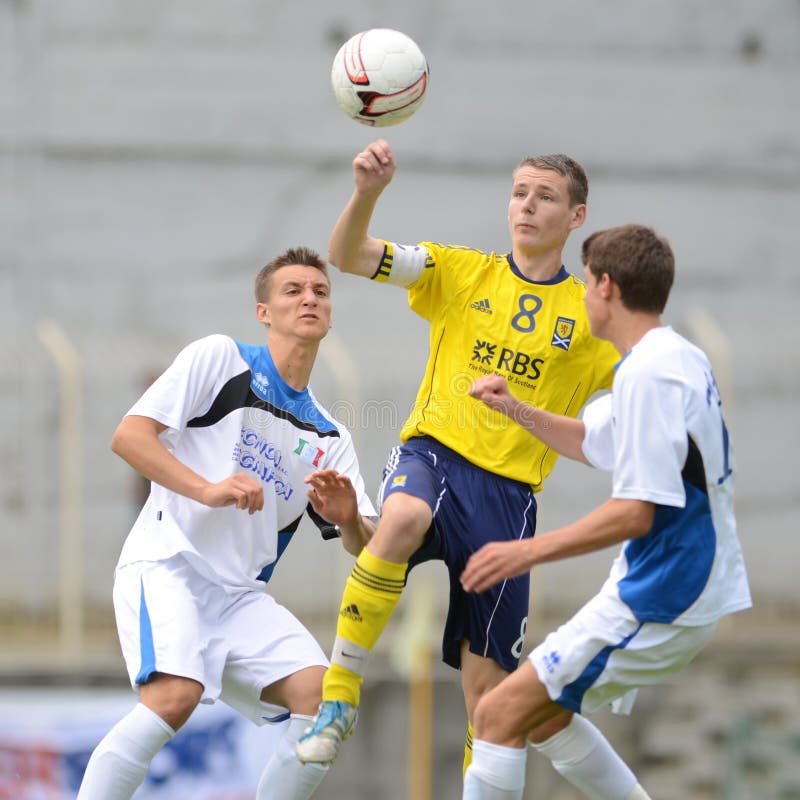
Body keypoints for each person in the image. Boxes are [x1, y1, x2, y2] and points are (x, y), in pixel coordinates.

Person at [295, 139, 620, 771]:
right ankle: (338, 698)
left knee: (490, 702)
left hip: (509, 500)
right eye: (519, 192)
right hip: (434, 454)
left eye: (545, 196)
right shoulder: (459, 270)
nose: (526, 206)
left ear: (576, 217)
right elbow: (347, 255)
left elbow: (641, 380)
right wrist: (367, 191)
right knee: (406, 517)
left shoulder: (589, 315)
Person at [460, 224, 752, 799]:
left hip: (665, 591)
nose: (584, 296)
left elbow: (635, 513)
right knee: (541, 716)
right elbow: (593, 441)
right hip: (672, 584)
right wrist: (516, 409)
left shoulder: (650, 374)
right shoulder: (673, 357)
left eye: (588, 283)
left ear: (608, 287)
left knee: (496, 715)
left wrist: (526, 551)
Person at [77, 247, 377, 800]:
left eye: (320, 291)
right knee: (174, 696)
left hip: (240, 598)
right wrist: (207, 489)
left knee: (328, 704)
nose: (309, 297)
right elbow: (130, 436)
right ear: (264, 311)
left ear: (330, 314)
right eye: (293, 290)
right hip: (169, 565)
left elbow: (367, 546)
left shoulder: (332, 438)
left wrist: (348, 521)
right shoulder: (221, 359)